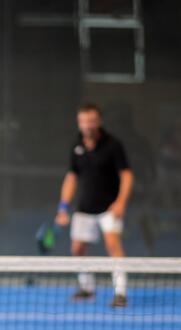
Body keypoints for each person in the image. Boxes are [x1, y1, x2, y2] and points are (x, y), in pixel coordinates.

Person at [56, 103, 133, 307]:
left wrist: (120, 203)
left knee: (113, 245)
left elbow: (126, 175)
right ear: (79, 123)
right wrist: (63, 207)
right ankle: (87, 288)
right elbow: (72, 177)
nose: (88, 125)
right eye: (84, 121)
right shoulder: (76, 146)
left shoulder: (113, 145)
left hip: (109, 208)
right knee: (77, 249)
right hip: (84, 208)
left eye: (91, 121)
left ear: (98, 121)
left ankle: (120, 293)